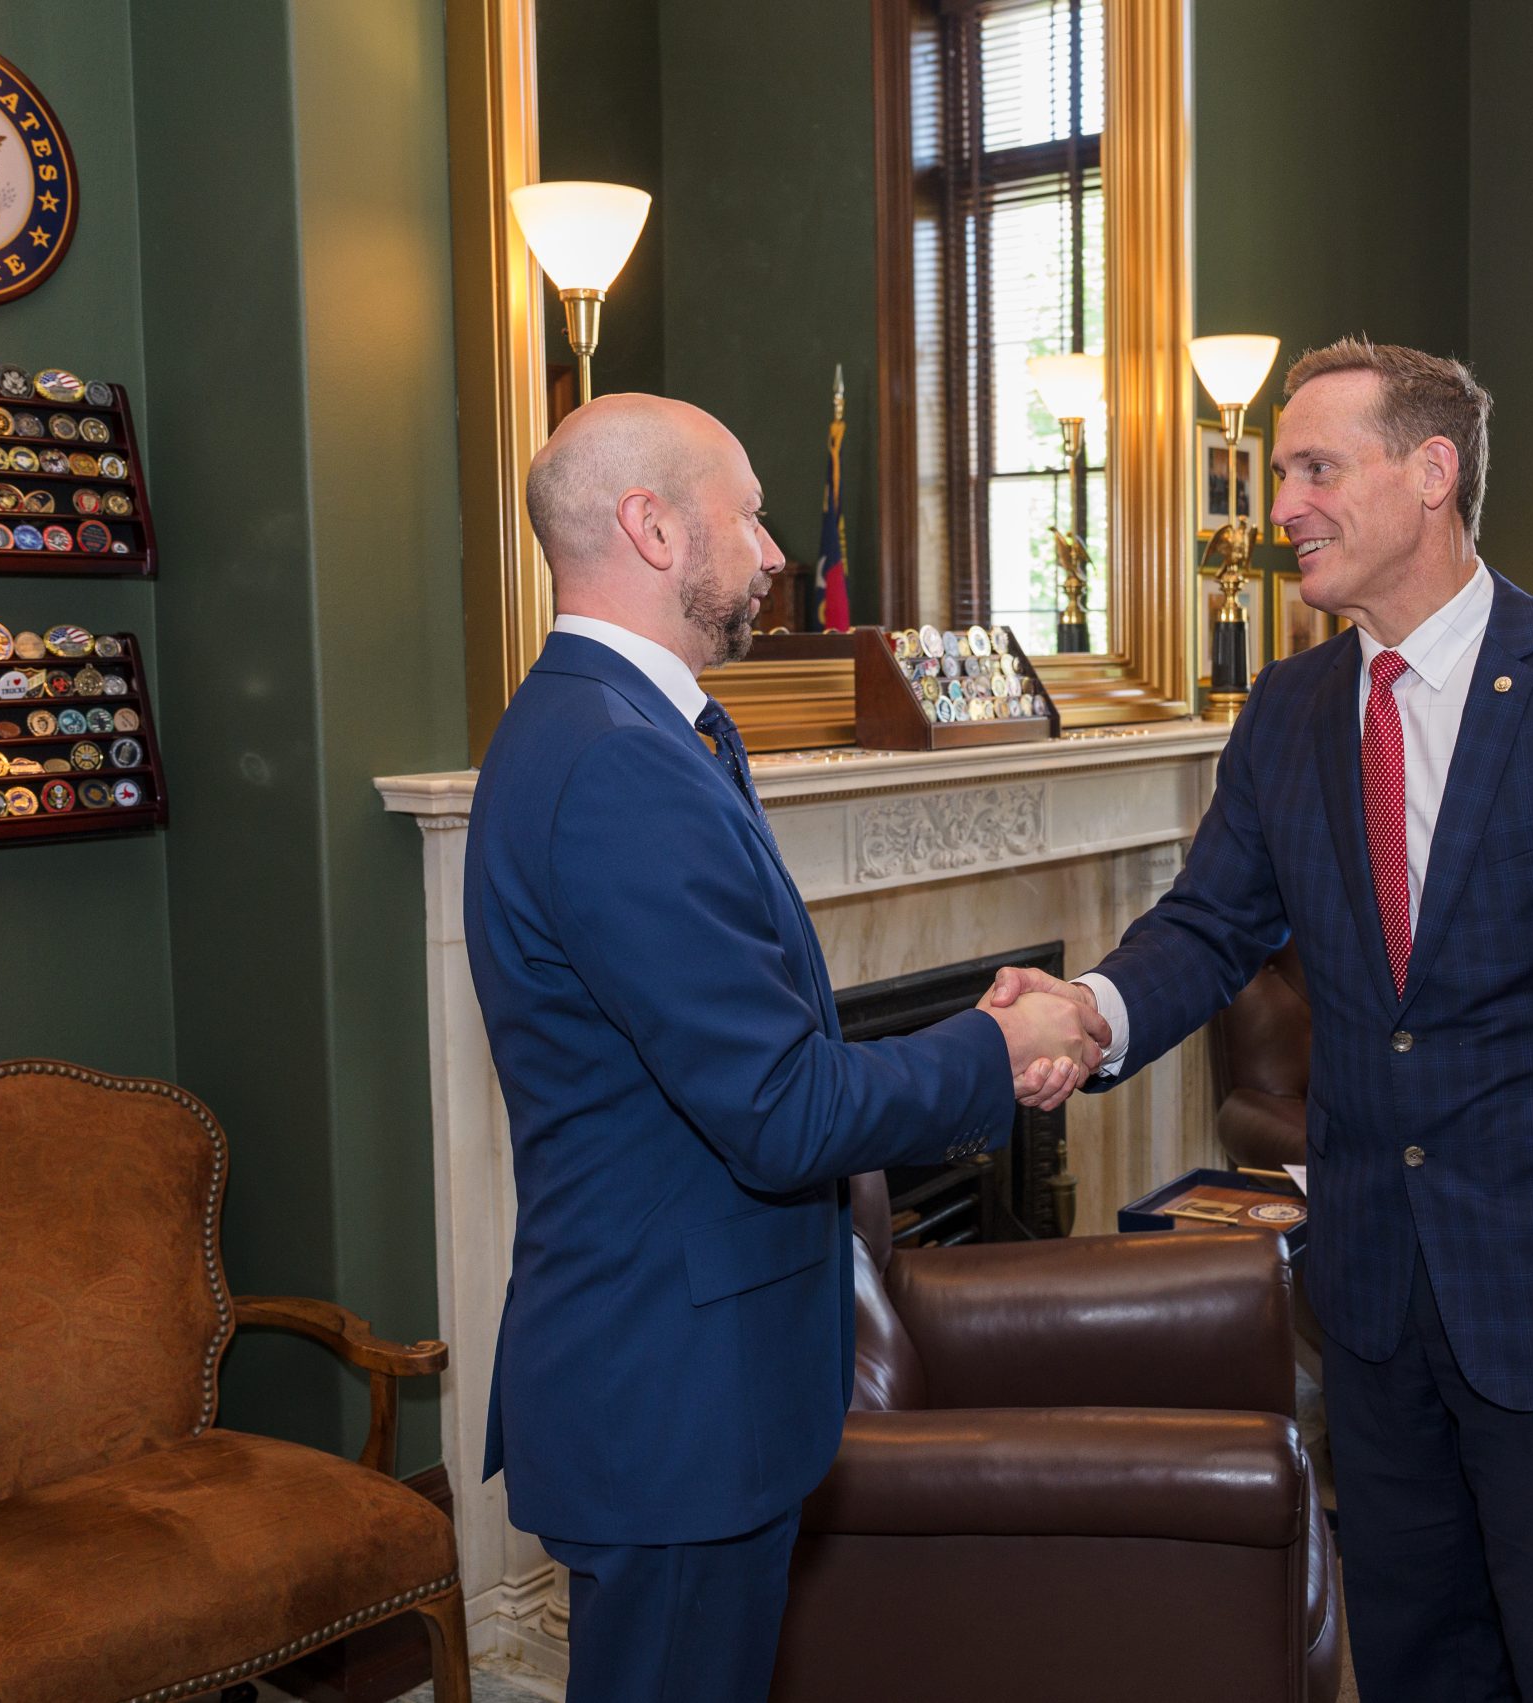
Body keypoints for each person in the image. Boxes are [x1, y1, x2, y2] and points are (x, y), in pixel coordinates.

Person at [988, 339, 1533, 1701]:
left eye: (1316, 467)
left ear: (1432, 473)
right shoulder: (1289, 711)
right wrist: (1089, 1006)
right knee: (1421, 1666)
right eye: (1278, 476)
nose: (1283, 506)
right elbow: (1209, 924)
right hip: (1373, 1309)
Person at [466, 394, 1109, 1703]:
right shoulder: (615, 765)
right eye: (750, 514)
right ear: (653, 527)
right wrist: (1000, 1044)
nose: (773, 554)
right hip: (673, 1407)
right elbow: (784, 1107)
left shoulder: (647, 730)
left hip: (688, 1387)